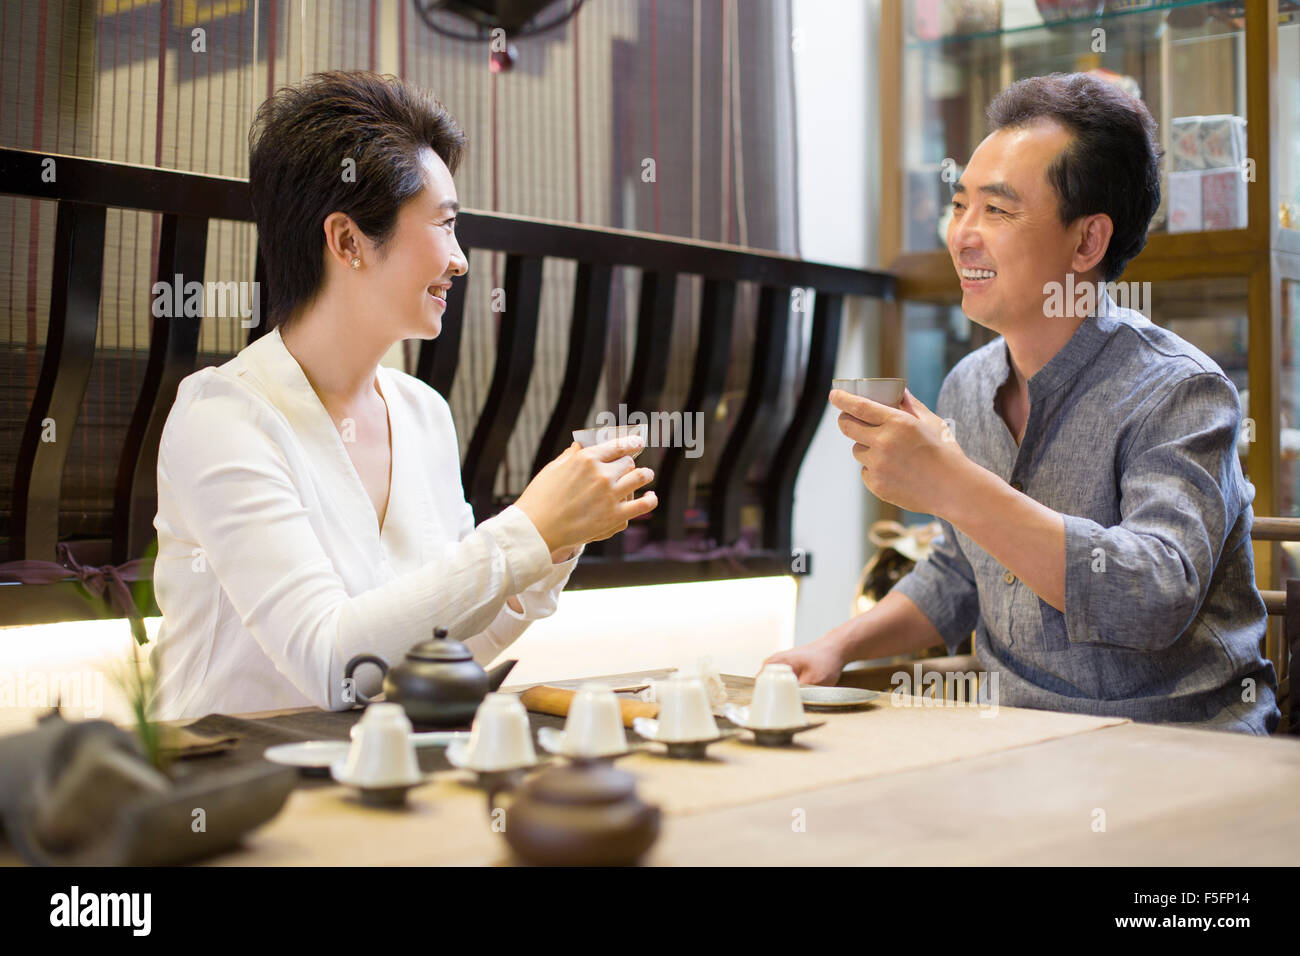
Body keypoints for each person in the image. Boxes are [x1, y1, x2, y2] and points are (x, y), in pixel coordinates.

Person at [766, 72, 1280, 735]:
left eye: (998, 210)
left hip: (1179, 742)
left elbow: (1154, 597)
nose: (963, 236)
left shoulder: (1179, 390)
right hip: (1019, 739)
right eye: (959, 205)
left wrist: (954, 485)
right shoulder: (967, 387)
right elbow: (958, 571)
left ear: (1087, 241)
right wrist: (835, 646)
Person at [150, 71, 657, 719]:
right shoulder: (223, 418)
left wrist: (552, 547)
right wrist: (527, 529)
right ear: (347, 241)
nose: (461, 260)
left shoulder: (423, 413)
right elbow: (333, 666)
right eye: (444, 225)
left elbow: (444, 655)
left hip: (364, 779)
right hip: (225, 787)